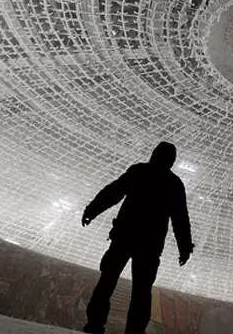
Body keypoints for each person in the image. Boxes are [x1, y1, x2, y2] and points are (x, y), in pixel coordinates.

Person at [80, 142, 194, 334]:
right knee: (140, 293)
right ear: (172, 162)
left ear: (154, 154)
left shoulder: (139, 171)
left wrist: (93, 209)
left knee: (107, 283)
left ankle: (94, 326)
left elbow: (114, 192)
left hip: (124, 237)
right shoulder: (174, 184)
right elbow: (180, 218)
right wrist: (184, 247)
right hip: (149, 246)